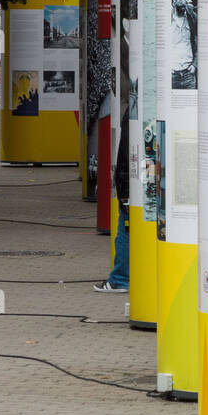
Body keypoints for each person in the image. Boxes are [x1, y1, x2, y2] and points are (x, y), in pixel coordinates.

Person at [94, 108, 129, 291]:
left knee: (124, 230)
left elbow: (125, 152)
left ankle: (120, 279)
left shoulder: (132, 111)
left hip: (129, 183)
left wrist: (122, 184)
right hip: (131, 180)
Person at [171, 0, 197, 88]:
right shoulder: (168, 19)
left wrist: (195, 65)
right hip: (172, 75)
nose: (183, 1)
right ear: (174, 0)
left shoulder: (191, 17)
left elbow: (200, 40)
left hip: (188, 74)